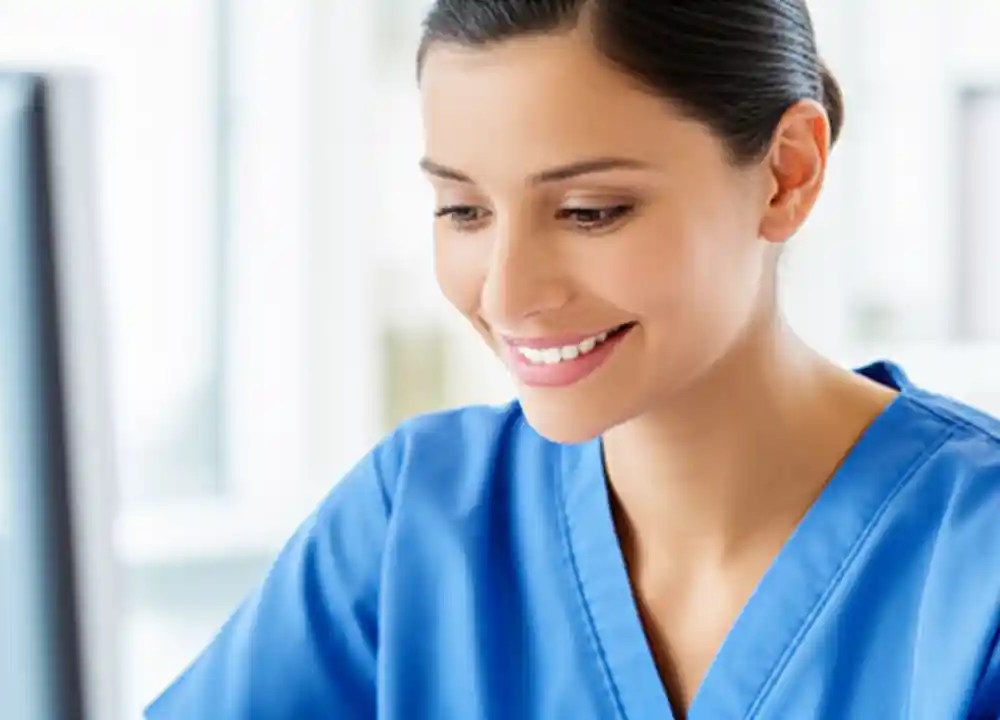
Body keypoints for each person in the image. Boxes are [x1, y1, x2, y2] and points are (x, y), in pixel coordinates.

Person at [146, 1, 1000, 717]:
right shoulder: (418, 519)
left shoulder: (975, 568)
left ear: (785, 175)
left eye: (590, 211)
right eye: (463, 211)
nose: (508, 294)